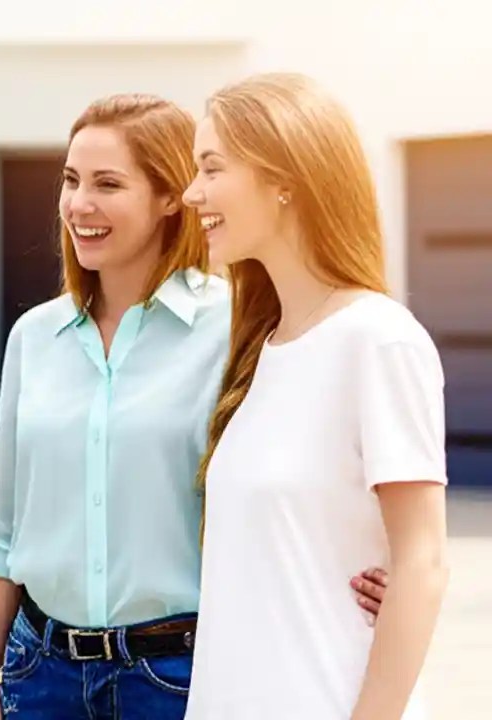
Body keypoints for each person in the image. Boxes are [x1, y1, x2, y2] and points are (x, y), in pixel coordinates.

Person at [0, 93, 390, 720]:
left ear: (172, 196)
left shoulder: (239, 328)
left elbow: (299, 478)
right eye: (71, 180)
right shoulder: (34, 337)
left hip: (176, 677)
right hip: (39, 672)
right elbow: (2, 531)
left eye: (108, 184)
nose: (79, 204)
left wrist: (375, 565)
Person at [181, 72, 449, 720]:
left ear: (285, 180)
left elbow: (423, 560)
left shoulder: (379, 341)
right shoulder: (261, 350)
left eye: (212, 168)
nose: (192, 194)